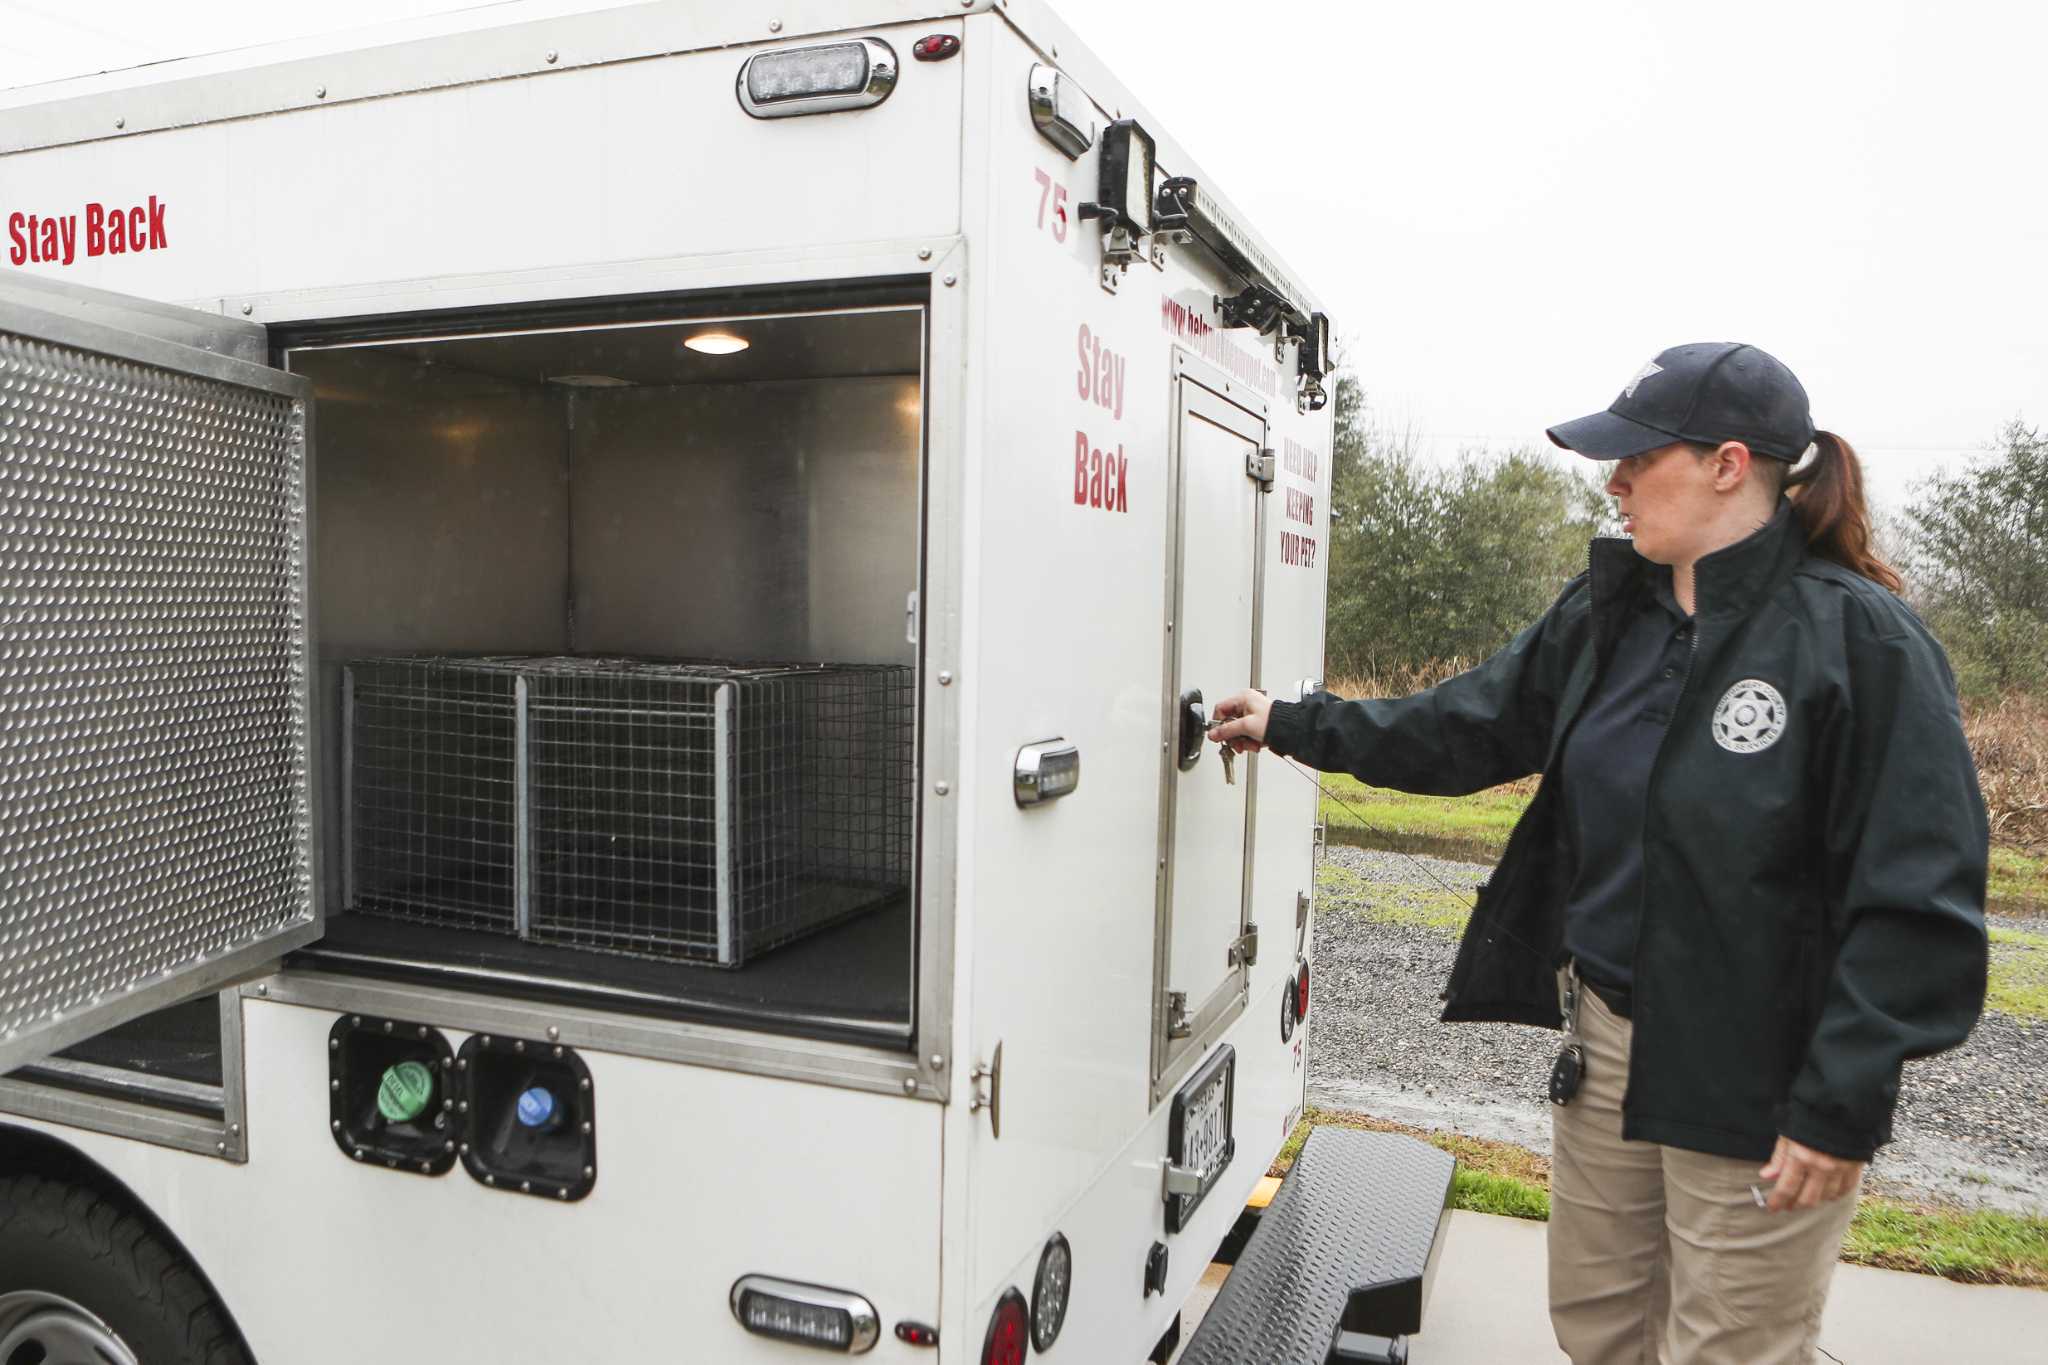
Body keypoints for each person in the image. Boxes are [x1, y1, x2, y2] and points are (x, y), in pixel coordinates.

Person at [1208, 343, 1989, 1365]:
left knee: (1730, 1348)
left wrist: (1838, 1105)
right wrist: (1293, 724)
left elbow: (1916, 900)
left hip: (1759, 1073)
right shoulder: (1608, 616)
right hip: (1610, 1041)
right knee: (1599, 1326)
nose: (1611, 480)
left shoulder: (1861, 644)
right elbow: (1463, 728)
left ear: (1725, 464)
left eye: (1635, 458)